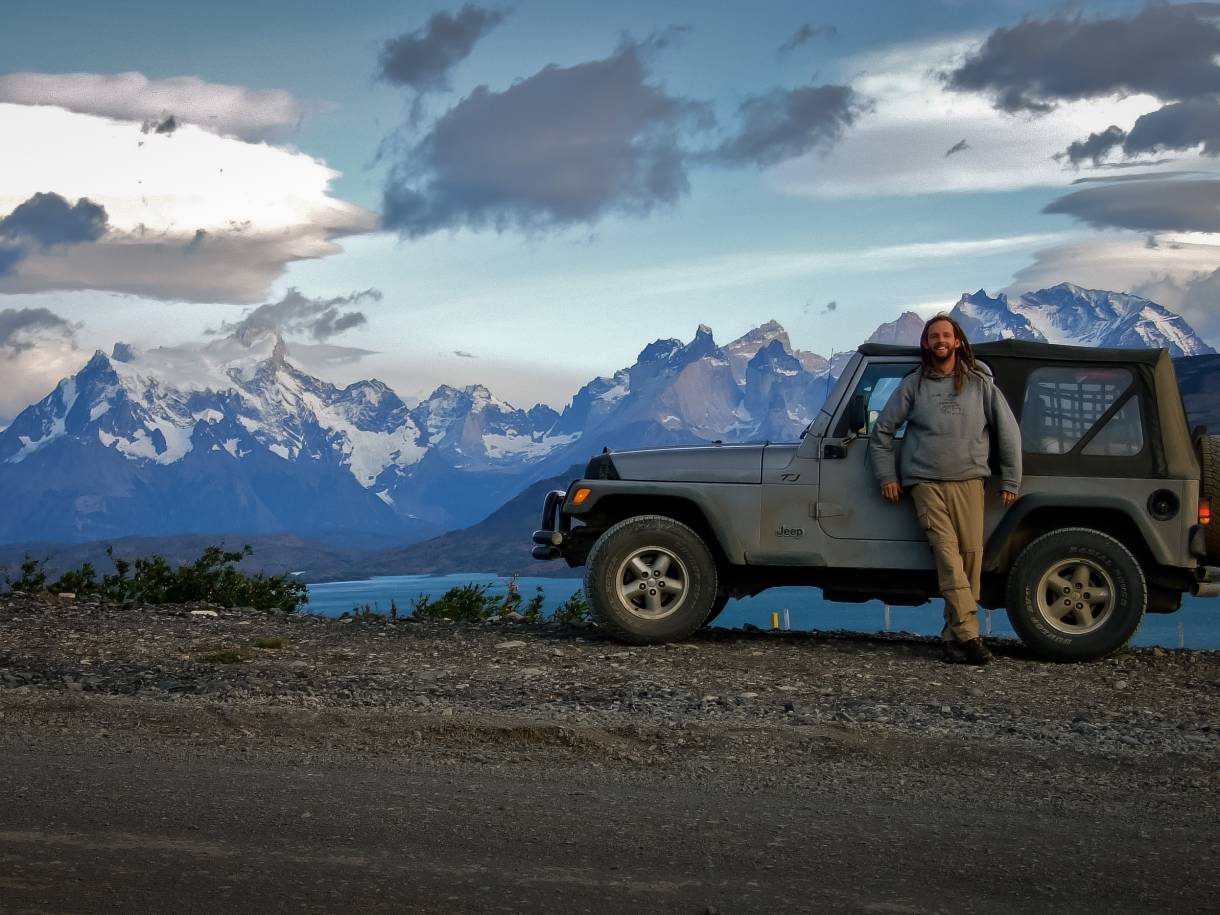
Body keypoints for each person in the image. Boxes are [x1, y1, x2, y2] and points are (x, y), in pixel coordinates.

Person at [870, 314, 1021, 665]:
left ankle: (952, 639)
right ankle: (970, 635)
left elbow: (1008, 432)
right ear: (926, 343)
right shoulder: (913, 386)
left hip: (970, 481)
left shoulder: (980, 384)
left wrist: (1011, 480)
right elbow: (882, 433)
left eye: (946, 335)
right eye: (933, 335)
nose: (940, 340)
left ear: (957, 341)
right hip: (925, 484)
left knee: (970, 557)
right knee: (948, 556)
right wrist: (887, 477)